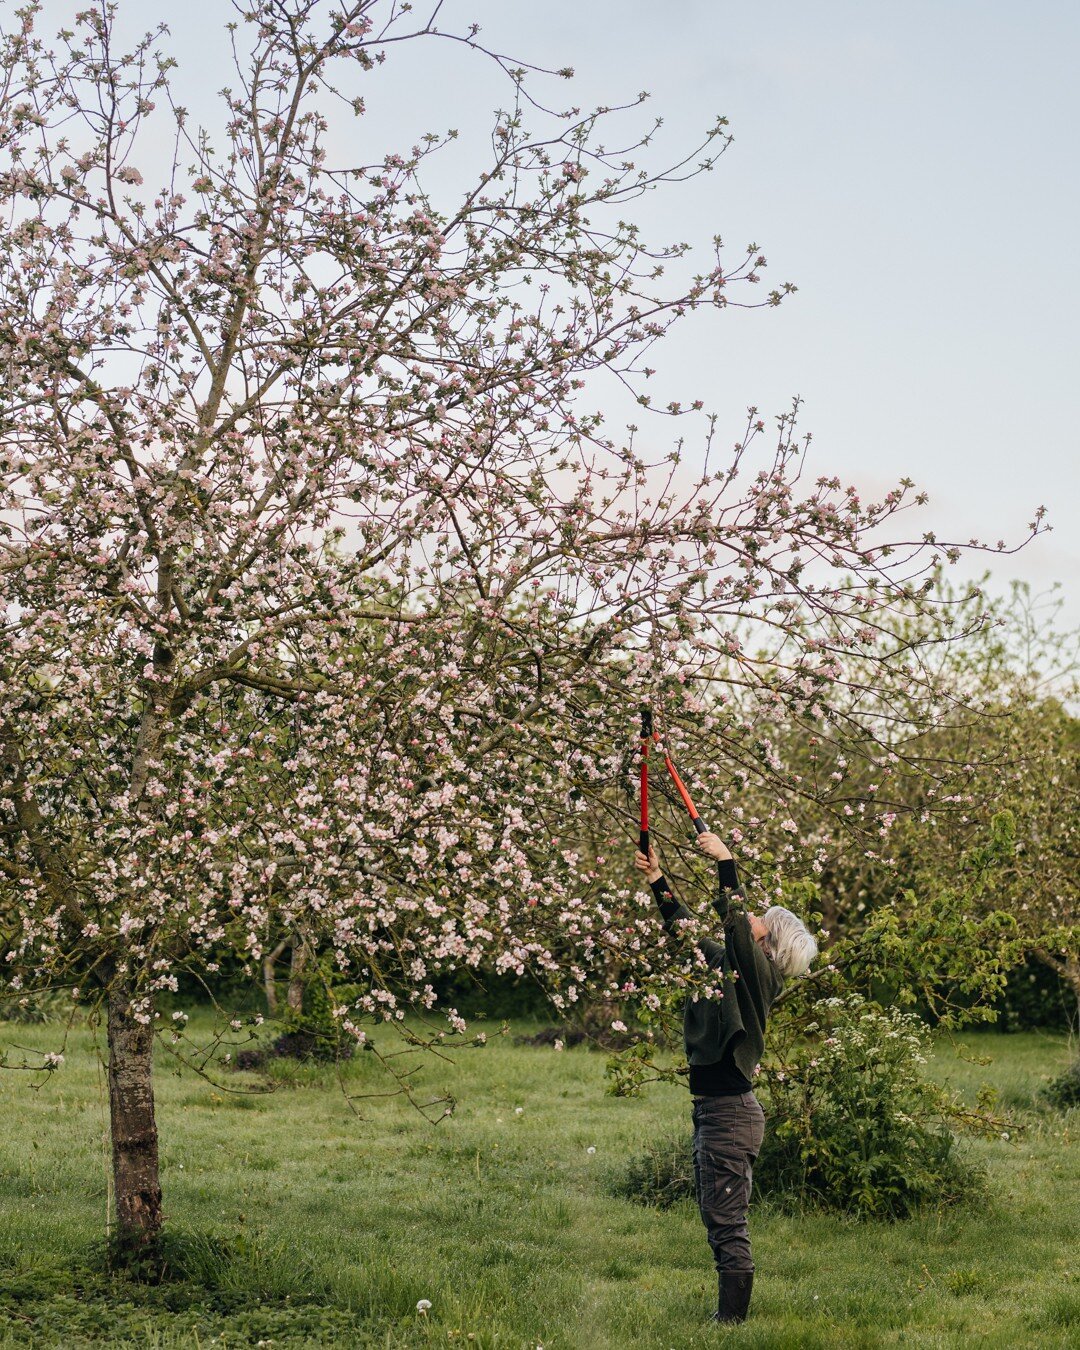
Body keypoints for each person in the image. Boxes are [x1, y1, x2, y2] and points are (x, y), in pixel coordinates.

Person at [634, 830, 818, 1324]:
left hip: (729, 1115)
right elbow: (685, 933)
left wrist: (726, 861)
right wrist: (657, 879)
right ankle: (730, 1316)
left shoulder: (760, 975)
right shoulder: (729, 968)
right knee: (717, 1212)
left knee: (726, 1217)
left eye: (760, 920)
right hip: (717, 1111)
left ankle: (731, 1322)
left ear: (768, 943)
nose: (752, 918)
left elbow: (734, 919)